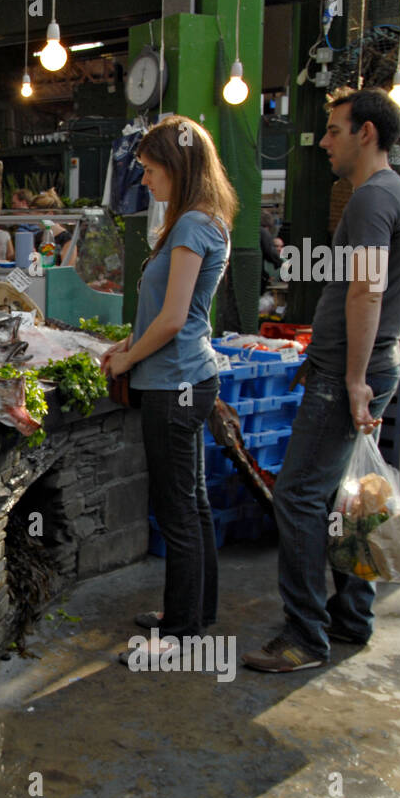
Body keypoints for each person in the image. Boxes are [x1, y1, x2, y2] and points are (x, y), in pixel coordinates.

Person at [244, 88, 400, 673]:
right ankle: (350, 619)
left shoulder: (372, 200)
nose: (323, 141)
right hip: (361, 365)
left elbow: (366, 292)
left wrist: (350, 379)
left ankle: (303, 637)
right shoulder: (393, 195)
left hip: (353, 372)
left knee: (296, 497)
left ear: (366, 133)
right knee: (342, 499)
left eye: (334, 130)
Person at [102, 115, 237, 663]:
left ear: (178, 167)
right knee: (194, 503)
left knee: (177, 508)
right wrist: (127, 344)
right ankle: (195, 612)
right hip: (190, 377)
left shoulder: (189, 228)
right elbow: (161, 311)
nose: (148, 181)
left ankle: (181, 633)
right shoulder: (204, 221)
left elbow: (175, 318)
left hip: (174, 383)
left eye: (153, 170)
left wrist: (128, 360)